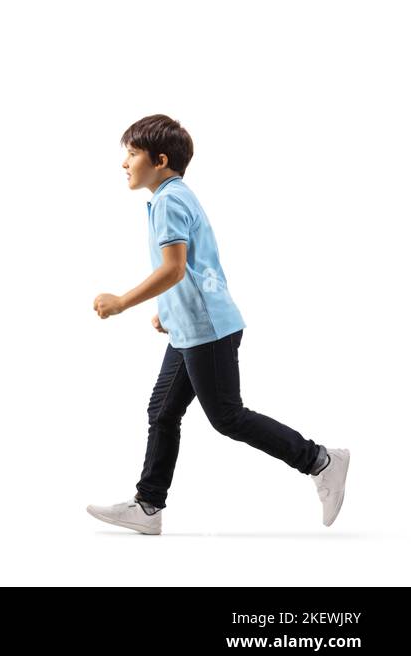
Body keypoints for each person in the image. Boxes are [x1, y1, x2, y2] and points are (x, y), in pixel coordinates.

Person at [86, 114, 346, 535]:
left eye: (132, 154)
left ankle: (321, 460)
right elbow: (194, 269)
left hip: (207, 330)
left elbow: (173, 269)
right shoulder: (173, 195)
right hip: (192, 327)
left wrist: (121, 302)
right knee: (163, 410)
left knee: (227, 417)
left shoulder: (170, 200)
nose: (125, 163)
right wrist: (169, 312)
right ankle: (149, 505)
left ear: (161, 159)